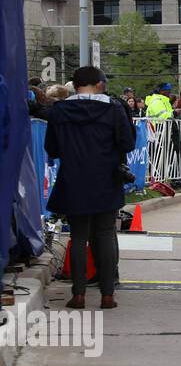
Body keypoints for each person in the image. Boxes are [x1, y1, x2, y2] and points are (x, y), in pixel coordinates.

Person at [44, 66, 136, 311]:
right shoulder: (113, 108)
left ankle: (78, 295)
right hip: (106, 178)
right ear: (98, 84)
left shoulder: (60, 110)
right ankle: (107, 295)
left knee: (78, 236)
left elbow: (51, 148)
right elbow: (127, 143)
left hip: (73, 179)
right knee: (105, 234)